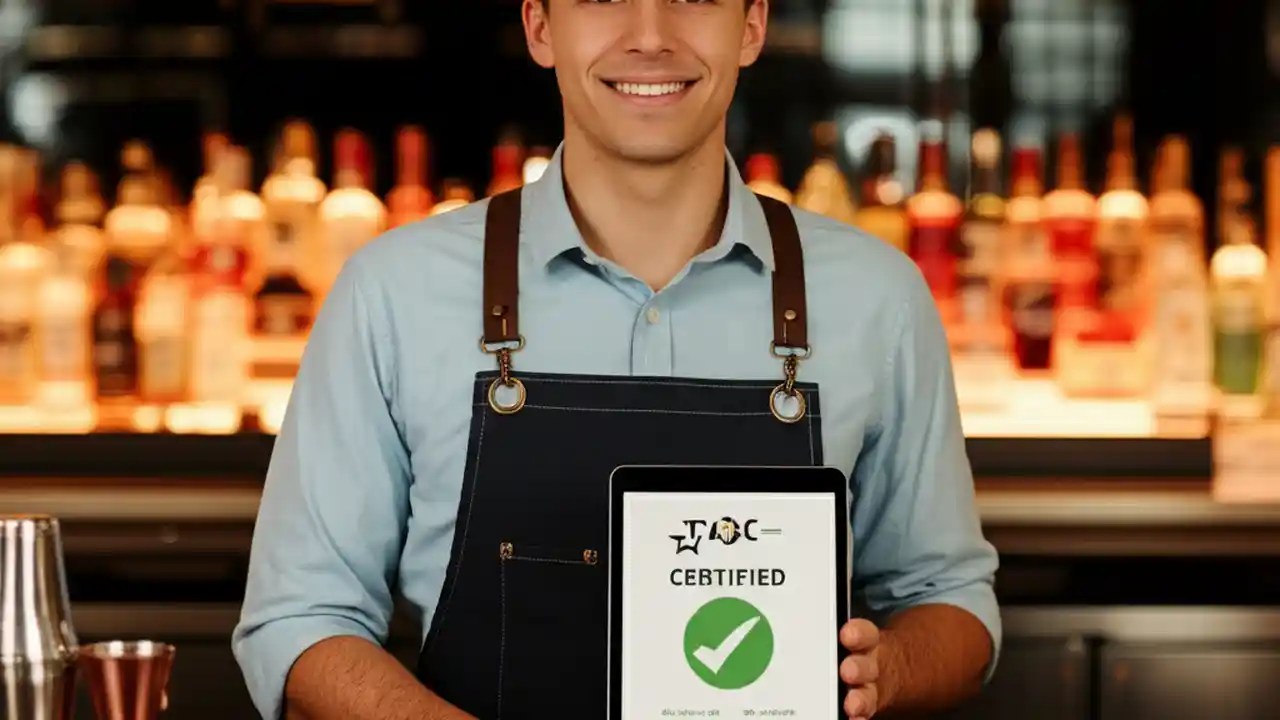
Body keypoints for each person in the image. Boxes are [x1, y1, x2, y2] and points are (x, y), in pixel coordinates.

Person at [232, 1, 1001, 718]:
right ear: (539, 28)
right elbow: (301, 619)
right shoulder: (393, 290)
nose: (650, 33)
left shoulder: (878, 295)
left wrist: (891, 670)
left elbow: (955, 602)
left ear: (752, 26)